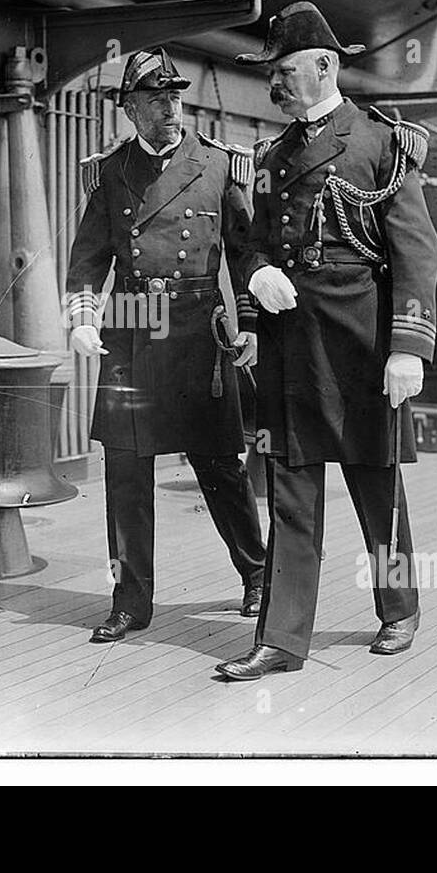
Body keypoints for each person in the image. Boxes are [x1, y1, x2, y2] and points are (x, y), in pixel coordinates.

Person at [215, 2, 437, 680]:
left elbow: (416, 250)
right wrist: (256, 277)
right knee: (290, 490)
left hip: (363, 344)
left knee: (378, 485)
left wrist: (409, 347)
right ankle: (281, 640)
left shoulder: (379, 143)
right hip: (293, 347)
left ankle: (398, 606)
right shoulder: (271, 156)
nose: (275, 87)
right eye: (272, 75)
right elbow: (246, 240)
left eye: (285, 73)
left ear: (324, 66)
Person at [65, 48, 267, 643]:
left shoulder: (219, 164)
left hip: (197, 335)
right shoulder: (111, 173)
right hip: (131, 333)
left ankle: (257, 576)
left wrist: (249, 323)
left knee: (218, 467)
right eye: (153, 100)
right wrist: (81, 316)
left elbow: (245, 248)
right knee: (126, 472)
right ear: (128, 108)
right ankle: (130, 600)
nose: (168, 109)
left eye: (174, 97)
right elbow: (87, 258)